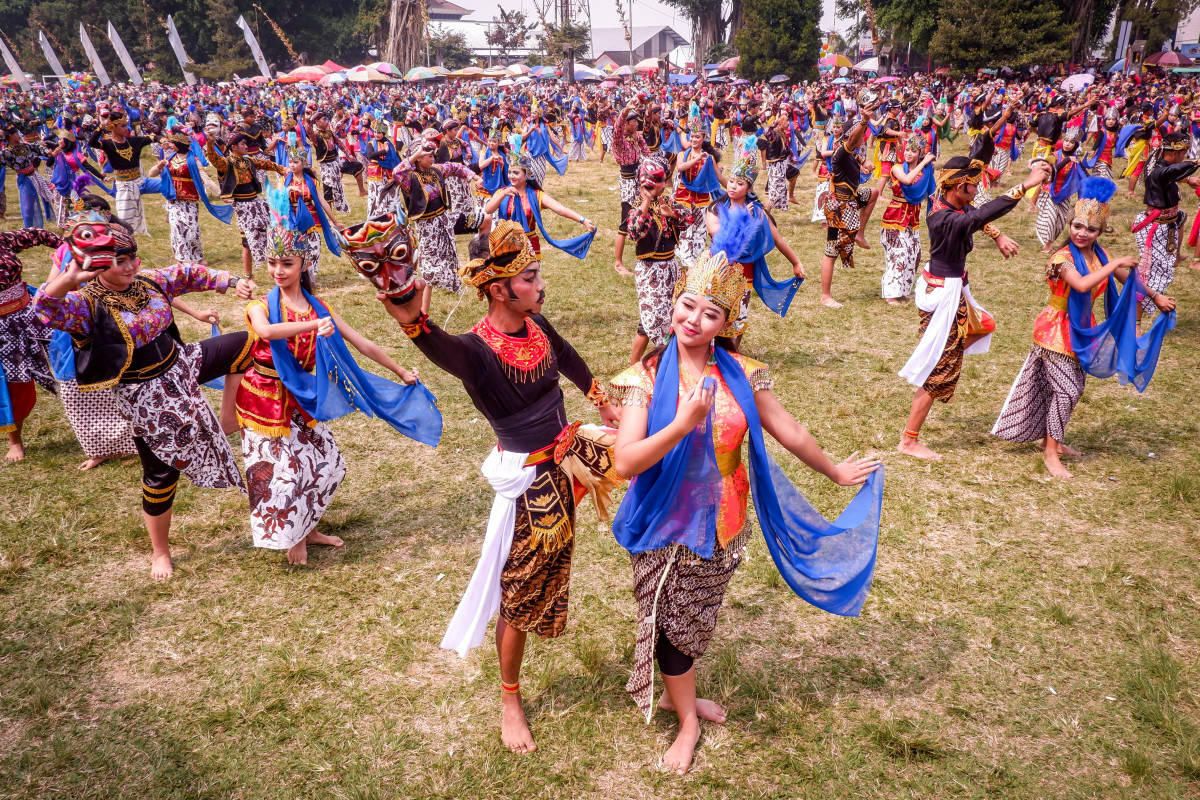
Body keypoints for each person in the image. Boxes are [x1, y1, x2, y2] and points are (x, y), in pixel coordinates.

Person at [608, 217, 883, 774]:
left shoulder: (743, 375)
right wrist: (682, 425)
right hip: (662, 522)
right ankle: (686, 719)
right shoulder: (643, 378)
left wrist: (834, 471)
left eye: (710, 313)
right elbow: (625, 461)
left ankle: (678, 694)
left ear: (727, 322)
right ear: (673, 304)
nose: (693, 319)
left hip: (724, 522)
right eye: (687, 305)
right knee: (672, 626)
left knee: (692, 623)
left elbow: (790, 430)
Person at [376, 219, 621, 755]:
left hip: (568, 462)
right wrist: (412, 321)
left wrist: (602, 399)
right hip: (530, 485)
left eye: (536, 275)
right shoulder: (476, 352)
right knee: (519, 590)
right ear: (498, 288)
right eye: (529, 278)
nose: (540, 285)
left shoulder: (536, 324)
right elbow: (437, 345)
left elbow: (566, 356)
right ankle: (510, 697)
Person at [34, 225, 256, 579]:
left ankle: (227, 419)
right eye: (120, 261)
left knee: (247, 344)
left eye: (132, 259)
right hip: (146, 397)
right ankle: (160, 551)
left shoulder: (148, 282)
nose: (130, 267)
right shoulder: (86, 304)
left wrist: (231, 281)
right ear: (99, 265)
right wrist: (68, 278)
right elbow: (45, 310)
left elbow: (187, 273)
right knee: (161, 474)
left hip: (182, 364)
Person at [236, 217, 427, 566]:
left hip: (302, 396)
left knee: (326, 464)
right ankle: (294, 537)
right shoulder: (261, 307)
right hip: (264, 399)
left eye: (287, 263)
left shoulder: (319, 308)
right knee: (284, 474)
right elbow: (266, 332)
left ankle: (308, 528)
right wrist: (313, 325)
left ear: (304, 263)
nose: (278, 271)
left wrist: (399, 371)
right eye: (273, 263)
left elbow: (362, 343)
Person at [992, 176, 1177, 477]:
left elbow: (1128, 280)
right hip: (1055, 329)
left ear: (1100, 231)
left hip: (1083, 329)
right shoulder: (1061, 258)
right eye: (1078, 226)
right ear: (1071, 224)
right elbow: (1080, 285)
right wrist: (1113, 264)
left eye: (1090, 229)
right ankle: (1050, 453)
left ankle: (1051, 440)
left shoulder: (1099, 255)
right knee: (1068, 390)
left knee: (1071, 390)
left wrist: (1155, 296)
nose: (1082, 233)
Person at [896, 156, 1049, 460]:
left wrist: (998, 235)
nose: (977, 190)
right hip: (943, 292)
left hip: (952, 287)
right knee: (938, 370)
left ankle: (947, 353)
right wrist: (1025, 185)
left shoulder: (951, 204)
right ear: (958, 185)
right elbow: (977, 216)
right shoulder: (943, 219)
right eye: (974, 185)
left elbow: (975, 215)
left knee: (985, 324)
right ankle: (909, 441)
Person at [703, 147, 804, 340]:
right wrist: (742, 222)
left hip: (744, 271)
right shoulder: (716, 208)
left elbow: (777, 238)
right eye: (731, 181)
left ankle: (733, 351)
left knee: (739, 318)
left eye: (739, 183)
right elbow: (717, 234)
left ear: (749, 189)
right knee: (712, 313)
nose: (733, 186)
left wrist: (796, 262)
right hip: (718, 268)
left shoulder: (757, 212)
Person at [624, 160, 703, 362]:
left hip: (670, 269)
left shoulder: (667, 201)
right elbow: (634, 232)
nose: (661, 184)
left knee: (664, 316)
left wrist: (672, 213)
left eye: (661, 180)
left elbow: (688, 218)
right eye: (657, 181)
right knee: (655, 320)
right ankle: (667, 360)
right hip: (650, 272)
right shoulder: (636, 206)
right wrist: (646, 202)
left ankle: (635, 365)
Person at [388, 138, 480, 312]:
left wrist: (474, 177)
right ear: (418, 158)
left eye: (432, 155)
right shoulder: (410, 178)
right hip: (427, 226)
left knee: (482, 221)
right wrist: (416, 154)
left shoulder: (436, 170)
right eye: (428, 156)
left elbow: (456, 167)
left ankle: (480, 264)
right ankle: (423, 312)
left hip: (445, 220)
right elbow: (396, 173)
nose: (432, 158)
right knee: (429, 270)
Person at [0, 227, 62, 461]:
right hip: (3, 334)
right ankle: (15, 440)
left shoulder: (3, 240)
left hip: (29, 314)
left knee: (69, 353)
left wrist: (67, 250)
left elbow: (38, 234)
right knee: (16, 386)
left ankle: (95, 417)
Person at [1131, 130, 1200, 319]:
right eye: (1183, 153)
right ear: (1176, 153)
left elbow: (1173, 173)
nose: (1184, 156)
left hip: (1168, 221)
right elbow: (1172, 172)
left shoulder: (1159, 160)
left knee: (1181, 217)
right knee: (1150, 275)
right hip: (1156, 227)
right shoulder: (1159, 171)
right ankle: (1135, 322)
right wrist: (1196, 163)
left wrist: (1188, 179)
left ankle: (1176, 255)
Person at [205, 130, 286, 279]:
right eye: (243, 144)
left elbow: (265, 164)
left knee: (271, 235)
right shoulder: (226, 163)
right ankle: (249, 277)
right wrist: (210, 143)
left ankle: (278, 270)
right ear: (234, 147)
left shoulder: (248, 161)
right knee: (246, 242)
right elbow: (213, 159)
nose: (246, 146)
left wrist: (282, 169)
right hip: (242, 207)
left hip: (256, 203)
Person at [482, 155, 595, 262]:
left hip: (529, 245)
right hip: (504, 244)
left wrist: (583, 220)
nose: (511, 176)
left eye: (516, 173)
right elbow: (488, 210)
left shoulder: (536, 195)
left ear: (527, 175)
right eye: (509, 172)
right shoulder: (502, 192)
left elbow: (560, 209)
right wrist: (503, 194)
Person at [820, 112, 879, 308]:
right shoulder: (842, 151)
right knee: (831, 251)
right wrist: (864, 121)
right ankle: (825, 296)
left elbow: (857, 157)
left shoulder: (852, 152)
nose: (863, 137)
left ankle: (860, 233)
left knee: (873, 193)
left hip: (851, 198)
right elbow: (852, 140)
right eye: (861, 134)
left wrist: (864, 164)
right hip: (838, 208)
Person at [148, 129, 234, 263]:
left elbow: (206, 180)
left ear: (180, 144)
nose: (170, 145)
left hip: (190, 201)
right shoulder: (170, 158)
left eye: (173, 143)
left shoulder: (193, 160)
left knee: (192, 230)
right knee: (176, 230)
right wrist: (159, 165)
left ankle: (198, 258)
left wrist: (221, 194)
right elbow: (151, 174)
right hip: (174, 201)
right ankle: (180, 259)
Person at [881, 134, 936, 304]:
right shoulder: (897, 168)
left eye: (913, 151)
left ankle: (903, 290)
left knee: (914, 255)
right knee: (898, 255)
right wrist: (923, 163)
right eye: (907, 150)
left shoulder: (924, 172)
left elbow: (930, 191)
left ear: (920, 153)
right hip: (895, 219)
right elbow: (907, 180)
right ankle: (891, 294)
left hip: (913, 220)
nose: (908, 153)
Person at [87, 111, 152, 235]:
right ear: (113, 127)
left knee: (166, 185)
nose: (126, 128)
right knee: (123, 217)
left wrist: (163, 140)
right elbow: (92, 143)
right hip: (123, 184)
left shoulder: (132, 141)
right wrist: (101, 126)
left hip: (140, 181)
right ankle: (121, 235)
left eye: (126, 125)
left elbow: (151, 138)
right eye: (122, 126)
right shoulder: (108, 144)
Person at [672, 122, 724, 269]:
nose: (694, 139)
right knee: (686, 230)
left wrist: (737, 189)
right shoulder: (682, 154)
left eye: (697, 137)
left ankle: (696, 260)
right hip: (683, 198)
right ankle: (688, 262)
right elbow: (680, 167)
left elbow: (719, 177)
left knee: (700, 230)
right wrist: (696, 158)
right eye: (692, 136)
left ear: (703, 138)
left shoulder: (709, 158)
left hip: (701, 199)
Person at [611, 99, 652, 277]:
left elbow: (646, 150)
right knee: (626, 220)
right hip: (627, 181)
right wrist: (625, 111)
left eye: (637, 120)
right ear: (626, 123)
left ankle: (645, 253)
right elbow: (617, 127)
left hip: (638, 177)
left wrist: (650, 164)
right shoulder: (618, 138)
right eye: (633, 121)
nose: (637, 123)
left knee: (644, 213)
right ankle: (618, 263)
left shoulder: (636, 136)